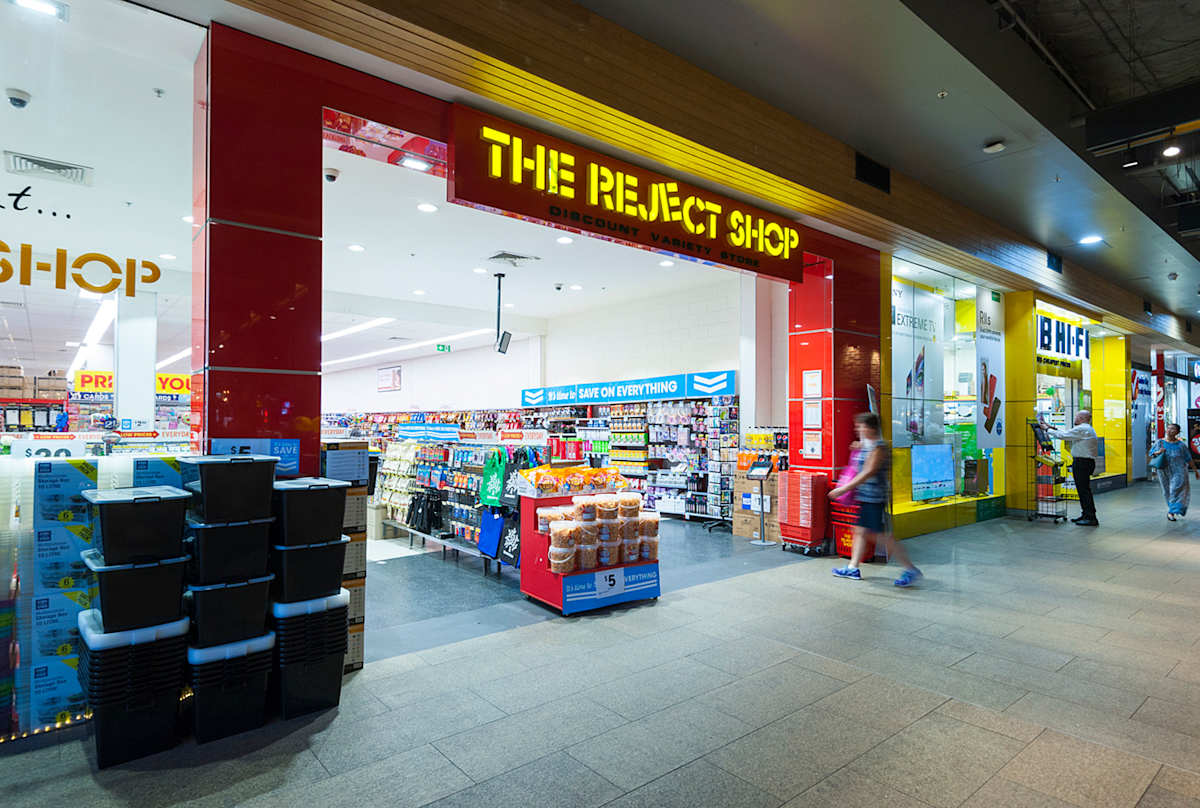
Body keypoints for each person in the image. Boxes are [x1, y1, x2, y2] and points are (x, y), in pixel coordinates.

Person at [827, 412, 922, 587]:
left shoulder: (880, 448)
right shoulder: (870, 445)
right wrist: (859, 446)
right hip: (867, 498)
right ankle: (853, 567)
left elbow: (868, 472)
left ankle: (910, 569)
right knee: (860, 531)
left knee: (882, 537)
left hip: (874, 499)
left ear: (870, 428)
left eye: (861, 427)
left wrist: (843, 489)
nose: (858, 430)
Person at [1041, 410, 1099, 526]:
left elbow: (1064, 436)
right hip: (1085, 462)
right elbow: (1068, 433)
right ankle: (1086, 514)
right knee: (1083, 490)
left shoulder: (1083, 428)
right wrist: (1051, 427)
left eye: (1077, 416)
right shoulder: (1086, 429)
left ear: (1082, 418)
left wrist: (1047, 429)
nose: (1075, 418)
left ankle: (1090, 517)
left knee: (1083, 491)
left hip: (1082, 463)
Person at [1150, 423, 1199, 521]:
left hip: (1179, 470)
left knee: (1175, 489)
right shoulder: (1159, 442)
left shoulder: (1181, 445)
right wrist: (1158, 452)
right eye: (1168, 428)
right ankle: (1172, 508)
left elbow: (1188, 458)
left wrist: (1195, 470)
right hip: (1163, 470)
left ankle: (1171, 512)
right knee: (1167, 490)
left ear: (1177, 432)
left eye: (1172, 429)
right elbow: (1151, 453)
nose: (1169, 430)